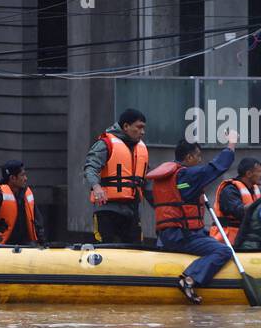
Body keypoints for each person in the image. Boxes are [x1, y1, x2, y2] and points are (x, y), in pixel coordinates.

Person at [146, 129, 238, 304]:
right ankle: (189, 279)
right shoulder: (188, 175)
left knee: (207, 236)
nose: (200, 160)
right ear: (188, 158)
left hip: (166, 236)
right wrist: (232, 143)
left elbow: (174, 198)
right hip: (182, 236)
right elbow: (218, 166)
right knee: (224, 250)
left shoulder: (166, 178)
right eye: (198, 156)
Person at [83, 108, 149, 244]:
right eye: (139, 127)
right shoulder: (105, 144)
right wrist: (96, 187)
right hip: (107, 209)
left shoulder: (140, 149)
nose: (143, 132)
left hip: (131, 210)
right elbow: (90, 168)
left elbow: (145, 181)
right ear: (126, 126)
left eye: (144, 128)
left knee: (136, 249)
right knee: (107, 248)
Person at [0, 159, 44, 245]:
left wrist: (41, 240)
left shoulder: (25, 193)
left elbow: (37, 221)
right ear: (12, 178)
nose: (26, 179)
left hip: (23, 245)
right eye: (22, 175)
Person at [208, 157, 261, 245]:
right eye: (259, 172)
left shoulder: (254, 189)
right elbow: (237, 211)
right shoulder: (230, 189)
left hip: (243, 238)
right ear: (248, 173)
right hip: (226, 240)